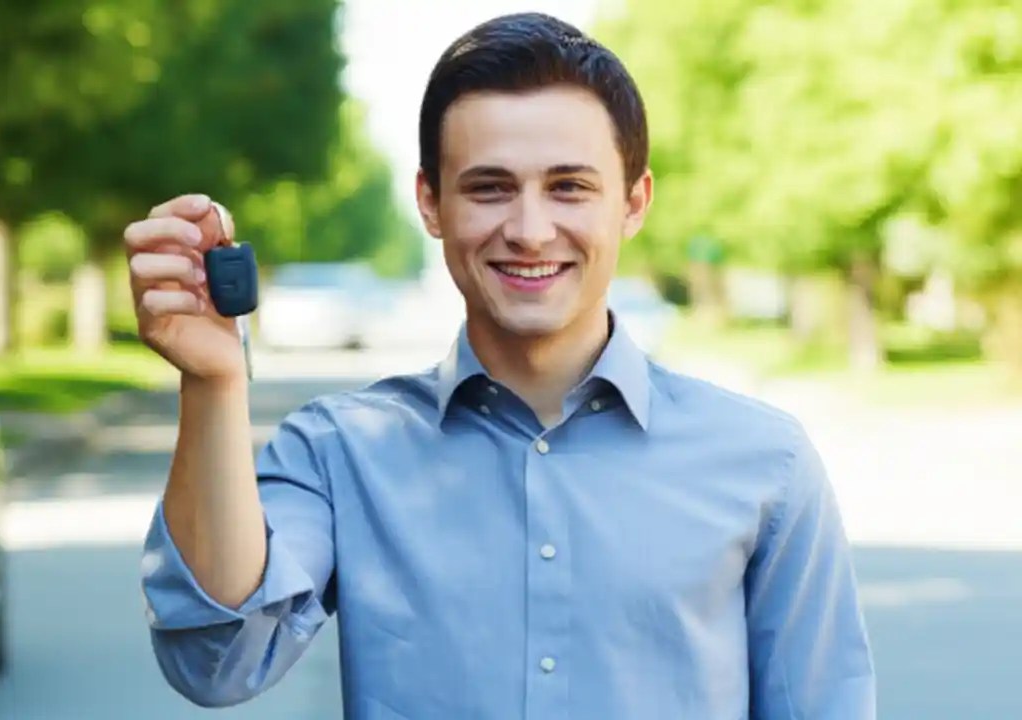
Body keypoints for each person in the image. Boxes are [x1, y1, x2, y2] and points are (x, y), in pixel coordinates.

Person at [125, 12, 876, 720]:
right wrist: (214, 381)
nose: (530, 230)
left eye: (569, 187)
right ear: (430, 203)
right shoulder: (337, 453)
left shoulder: (766, 463)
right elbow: (216, 662)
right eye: (490, 188)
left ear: (633, 202)